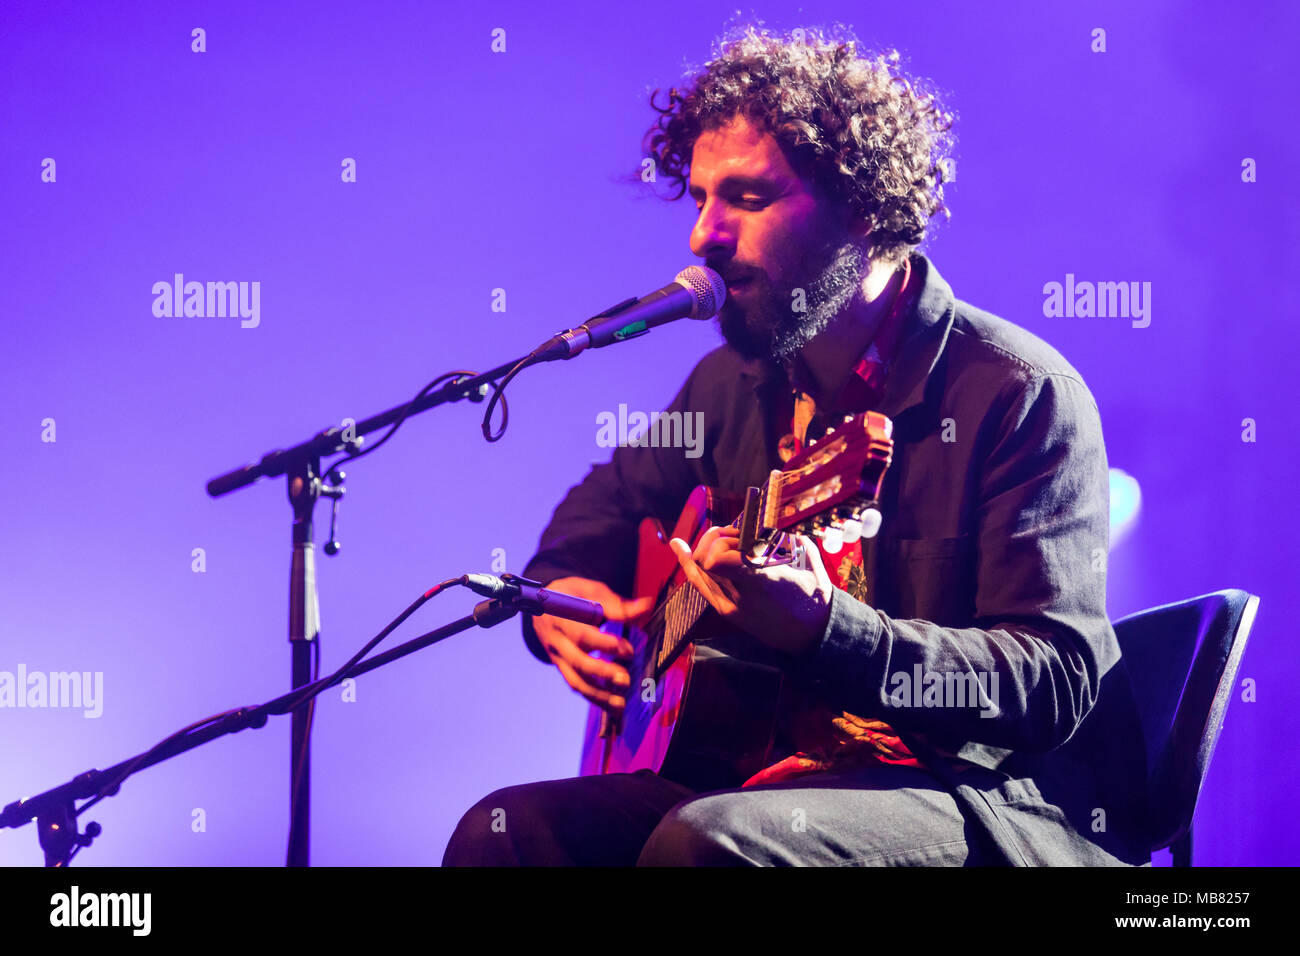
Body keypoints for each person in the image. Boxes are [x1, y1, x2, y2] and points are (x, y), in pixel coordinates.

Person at [442, 27, 1149, 866]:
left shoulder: (1017, 392)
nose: (703, 236)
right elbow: (605, 502)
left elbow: (1053, 679)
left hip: (974, 799)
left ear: (861, 206)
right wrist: (559, 596)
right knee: (510, 834)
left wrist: (828, 630)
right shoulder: (730, 388)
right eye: (699, 198)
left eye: (745, 198)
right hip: (769, 779)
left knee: (704, 844)